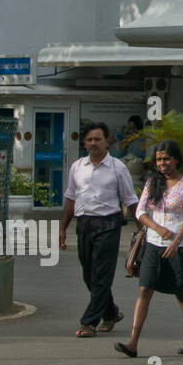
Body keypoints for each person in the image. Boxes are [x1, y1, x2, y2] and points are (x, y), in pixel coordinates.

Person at [114, 140, 183, 358]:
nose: (162, 163)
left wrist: (175, 242)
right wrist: (158, 229)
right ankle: (133, 343)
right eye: (159, 159)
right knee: (145, 289)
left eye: (167, 159)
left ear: (176, 160)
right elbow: (140, 212)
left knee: (181, 293)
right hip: (153, 244)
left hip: (181, 247)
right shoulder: (153, 182)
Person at [59, 121, 139, 338]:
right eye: (89, 140)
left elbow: (131, 200)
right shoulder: (77, 167)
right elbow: (70, 198)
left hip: (109, 225)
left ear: (107, 142)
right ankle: (111, 312)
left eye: (98, 139)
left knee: (101, 276)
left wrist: (143, 228)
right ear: (84, 143)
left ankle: (88, 322)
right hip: (84, 224)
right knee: (89, 275)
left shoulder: (118, 167)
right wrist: (62, 229)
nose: (93, 143)